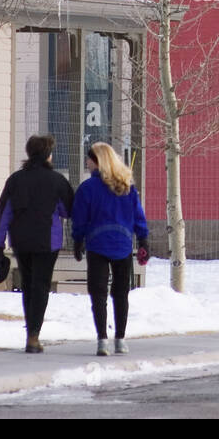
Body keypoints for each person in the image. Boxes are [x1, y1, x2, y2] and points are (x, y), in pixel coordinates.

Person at [0, 134, 74, 353]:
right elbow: (68, 211)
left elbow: (4, 214)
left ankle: (31, 332)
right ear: (48, 154)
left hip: (21, 241)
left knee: (27, 285)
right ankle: (34, 335)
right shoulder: (57, 181)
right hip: (48, 242)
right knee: (41, 286)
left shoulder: (15, 180)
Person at [71, 142, 149, 356]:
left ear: (97, 161)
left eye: (89, 159)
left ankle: (102, 340)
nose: (87, 162)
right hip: (123, 245)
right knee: (121, 292)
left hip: (97, 245)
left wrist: (78, 241)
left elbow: (80, 218)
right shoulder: (126, 186)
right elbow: (138, 216)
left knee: (98, 293)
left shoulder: (87, 188)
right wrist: (143, 240)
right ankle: (121, 339)